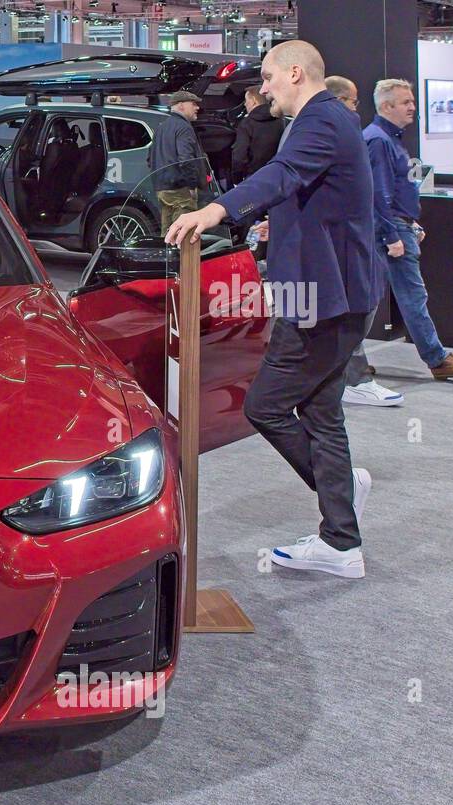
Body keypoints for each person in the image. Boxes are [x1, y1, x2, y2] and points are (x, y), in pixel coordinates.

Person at [166, 41, 378, 580]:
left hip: (324, 300)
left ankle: (342, 492)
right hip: (338, 296)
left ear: (296, 72)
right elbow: (307, 192)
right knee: (322, 413)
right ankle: (340, 542)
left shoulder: (320, 119)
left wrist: (216, 209)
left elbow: (283, 174)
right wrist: (274, 225)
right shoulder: (328, 120)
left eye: (267, 77)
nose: (263, 88)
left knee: (265, 406)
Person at [364, 78, 453, 381]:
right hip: (392, 229)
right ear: (386, 106)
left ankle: (348, 361)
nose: (413, 107)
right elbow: (377, 194)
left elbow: (393, 190)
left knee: (376, 296)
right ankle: (436, 359)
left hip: (399, 225)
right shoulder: (379, 140)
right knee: (410, 294)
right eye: (406, 102)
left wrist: (410, 221)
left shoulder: (389, 138)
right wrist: (393, 234)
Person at [321, 76, 404, 408]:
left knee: (355, 309)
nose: (357, 109)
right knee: (351, 311)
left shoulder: (354, 137)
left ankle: (351, 379)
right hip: (337, 242)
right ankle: (354, 380)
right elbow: (375, 195)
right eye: (354, 102)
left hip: (347, 239)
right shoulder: (366, 139)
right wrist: (392, 232)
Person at [147, 91, 207, 233]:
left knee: (167, 233)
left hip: (162, 188)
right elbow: (186, 159)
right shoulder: (183, 127)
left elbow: (150, 159)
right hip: (180, 189)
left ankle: (168, 255)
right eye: (193, 104)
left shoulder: (161, 128)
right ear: (181, 106)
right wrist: (192, 185)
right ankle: (179, 256)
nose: (197, 107)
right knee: (183, 234)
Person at [232, 88, 284, 184]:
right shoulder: (280, 120)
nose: (245, 104)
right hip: (279, 174)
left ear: (253, 101)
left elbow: (239, 155)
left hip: (255, 178)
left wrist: (237, 179)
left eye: (246, 100)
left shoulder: (247, 123)